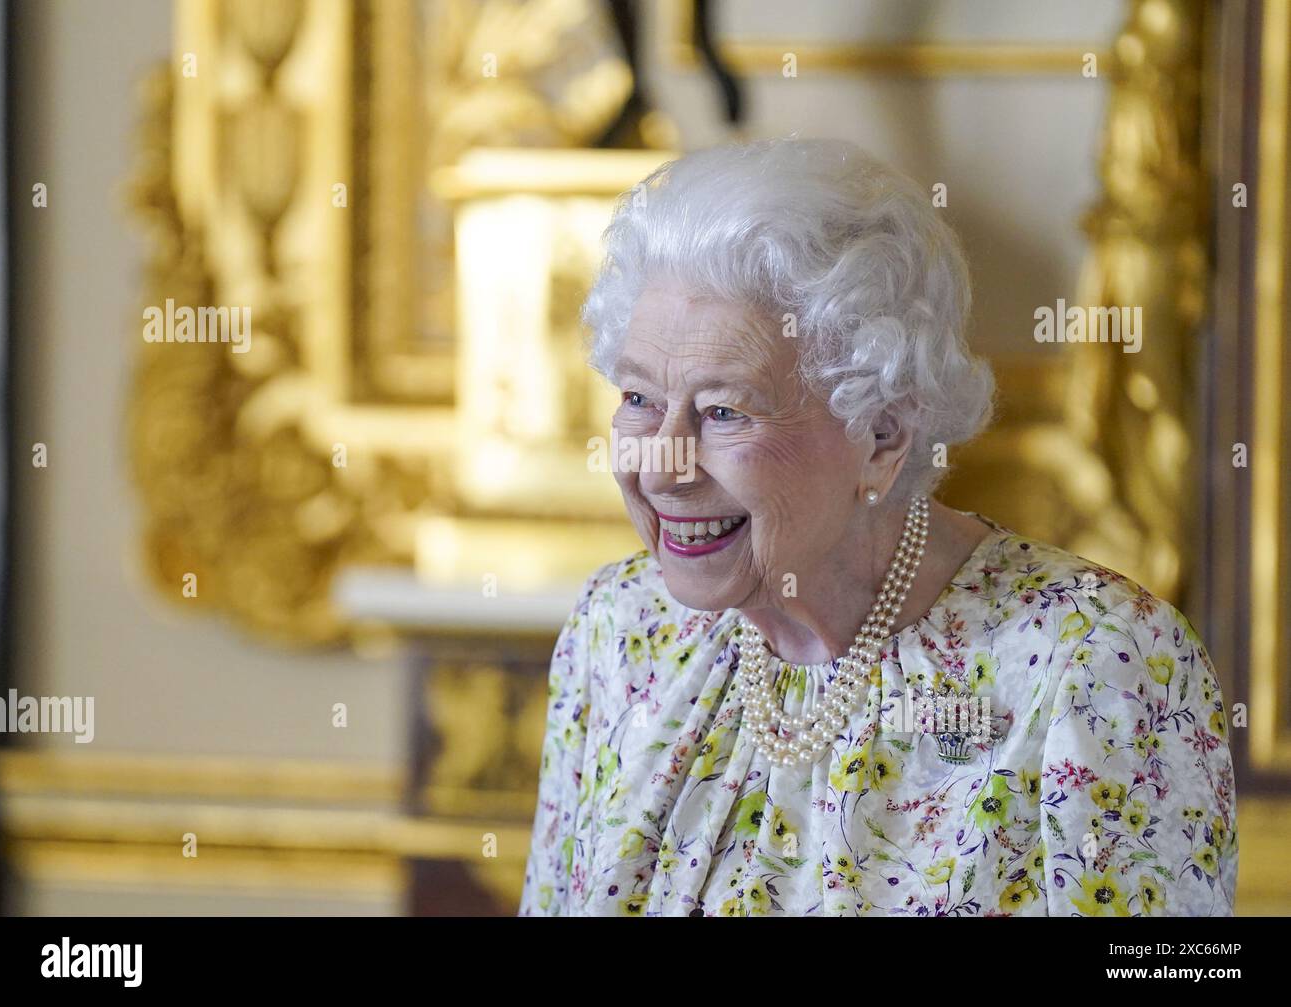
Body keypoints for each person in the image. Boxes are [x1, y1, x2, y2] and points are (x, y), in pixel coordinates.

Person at [518, 137, 1237, 916]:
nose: (662, 465)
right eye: (639, 400)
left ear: (883, 436)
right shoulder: (620, 634)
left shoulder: (1097, 666)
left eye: (724, 411)